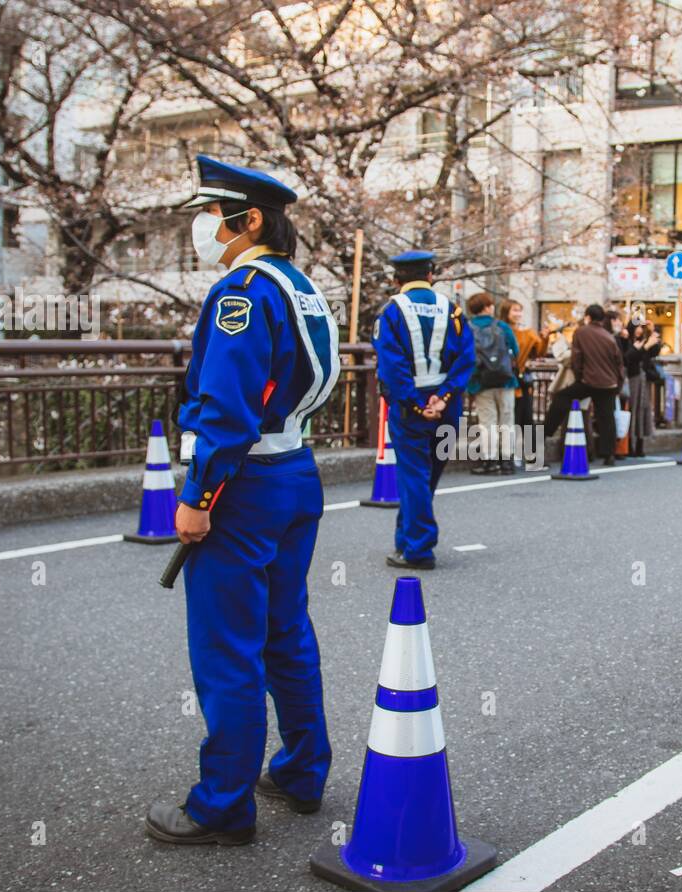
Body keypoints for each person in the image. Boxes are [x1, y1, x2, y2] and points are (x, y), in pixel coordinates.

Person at [146, 155, 341, 846]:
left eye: (210, 212)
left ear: (247, 218)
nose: (203, 225)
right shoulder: (303, 288)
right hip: (295, 471)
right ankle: (301, 768)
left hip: (243, 484)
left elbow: (225, 409)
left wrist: (197, 493)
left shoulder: (242, 292)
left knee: (227, 646)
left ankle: (222, 803)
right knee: (286, 629)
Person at [371, 251, 475, 569]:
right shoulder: (453, 311)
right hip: (447, 405)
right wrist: (443, 397)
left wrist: (416, 403)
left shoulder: (391, 311)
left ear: (396, 279)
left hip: (409, 407)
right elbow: (467, 358)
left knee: (413, 473)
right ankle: (407, 539)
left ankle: (417, 547)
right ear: (431, 275)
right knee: (428, 474)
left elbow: (391, 365)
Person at [543, 304, 623, 466]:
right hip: (609, 384)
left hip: (589, 381)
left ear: (588, 317)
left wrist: (580, 377)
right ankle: (609, 455)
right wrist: (617, 384)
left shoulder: (581, 332)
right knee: (606, 417)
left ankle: (544, 434)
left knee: (561, 398)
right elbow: (619, 364)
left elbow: (577, 358)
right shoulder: (609, 337)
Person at [465, 292, 518, 476]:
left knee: (487, 422)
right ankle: (507, 461)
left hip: (481, 381)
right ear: (487, 307)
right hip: (505, 380)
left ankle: (489, 460)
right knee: (507, 420)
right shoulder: (502, 326)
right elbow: (515, 350)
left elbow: (463, 355)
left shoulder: (467, 328)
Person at [503, 298, 544, 466]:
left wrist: (543, 338)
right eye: (514, 310)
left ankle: (532, 455)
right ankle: (510, 455)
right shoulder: (503, 330)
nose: (518, 313)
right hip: (508, 380)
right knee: (511, 419)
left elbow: (538, 351)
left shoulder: (527, 333)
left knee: (526, 418)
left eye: (520, 310)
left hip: (520, 381)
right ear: (506, 312)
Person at [622, 318, 662, 457]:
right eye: (637, 326)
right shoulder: (626, 341)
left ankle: (640, 444)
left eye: (641, 326)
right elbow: (627, 359)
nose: (640, 329)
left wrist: (652, 330)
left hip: (643, 380)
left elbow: (656, 350)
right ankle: (629, 445)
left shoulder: (645, 340)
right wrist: (643, 347)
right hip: (631, 380)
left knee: (643, 411)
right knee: (632, 411)